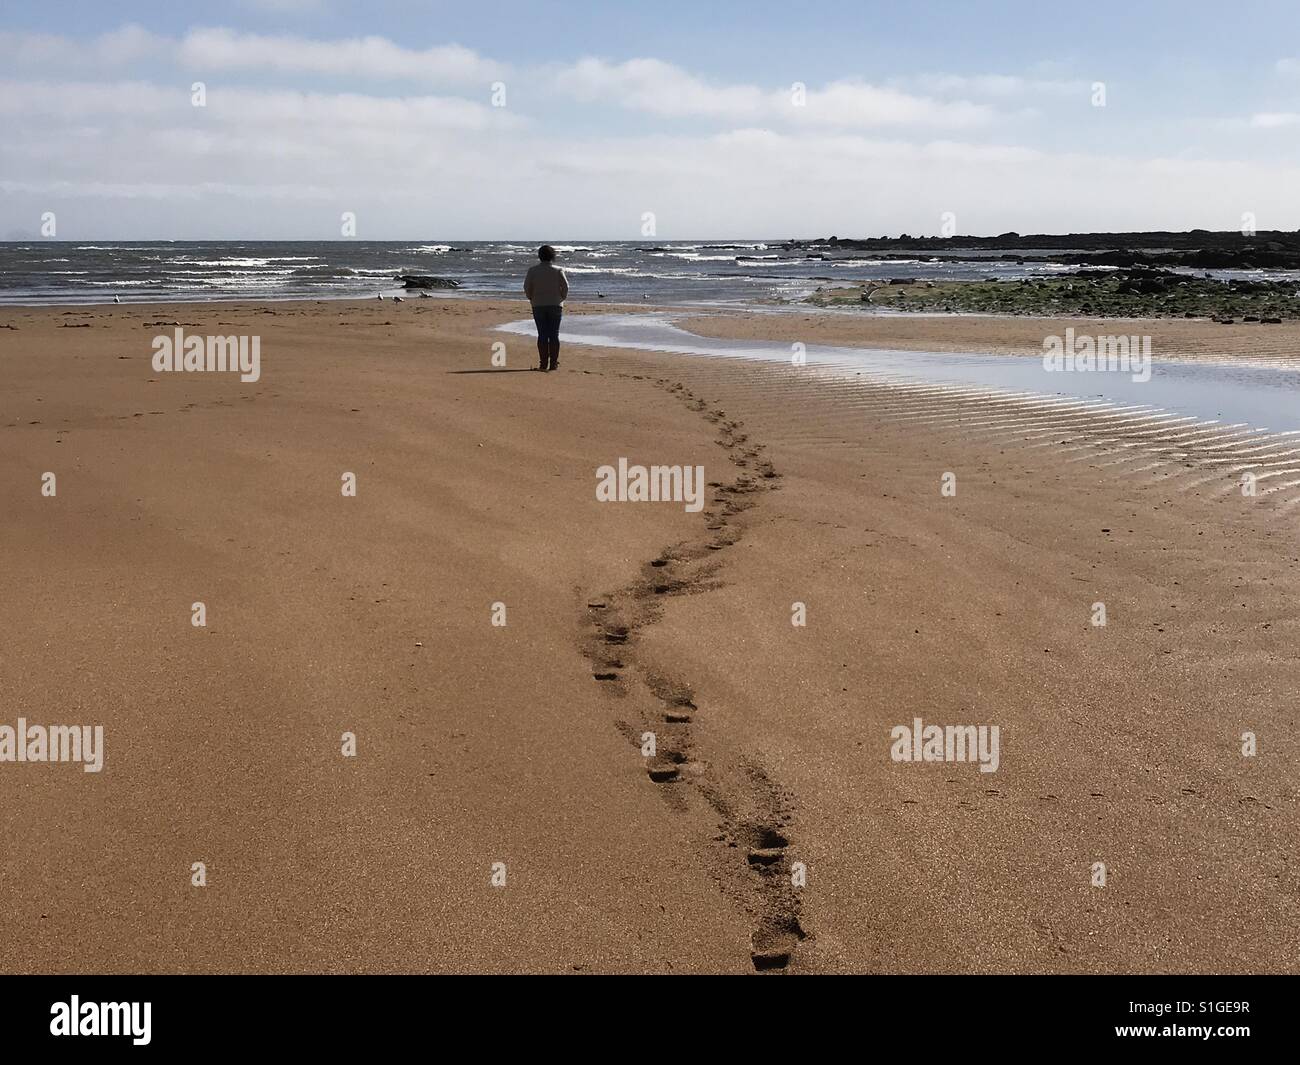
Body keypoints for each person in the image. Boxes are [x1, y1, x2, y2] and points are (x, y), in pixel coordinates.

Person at [523, 245, 569, 371]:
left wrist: (531, 297)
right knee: (554, 334)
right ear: (553, 256)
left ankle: (543, 362)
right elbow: (565, 287)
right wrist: (561, 298)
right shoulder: (558, 270)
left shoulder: (532, 271)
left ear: (539, 256)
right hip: (555, 304)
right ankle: (553, 363)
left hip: (538, 304)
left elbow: (527, 287)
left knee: (542, 334)